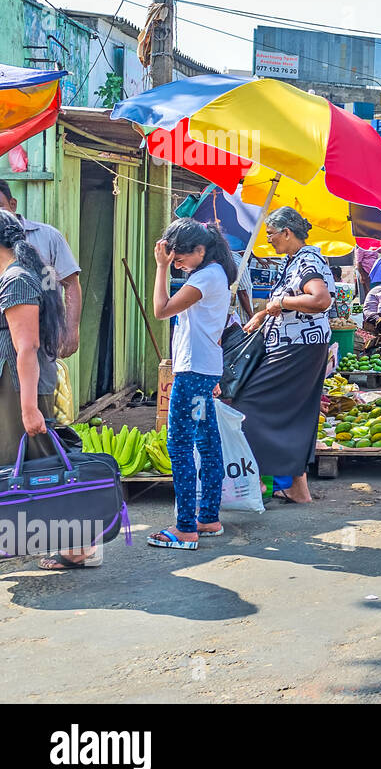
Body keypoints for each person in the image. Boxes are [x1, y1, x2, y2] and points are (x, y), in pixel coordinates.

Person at [231, 207, 336, 504]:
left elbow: (319, 299)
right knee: (295, 414)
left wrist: (280, 304)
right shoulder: (294, 261)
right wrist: (265, 313)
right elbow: (285, 301)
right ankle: (298, 488)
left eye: (272, 235)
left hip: (298, 347)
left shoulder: (307, 260)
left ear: (288, 233)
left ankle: (260, 480)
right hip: (296, 345)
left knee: (247, 405)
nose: (270, 241)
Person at [0, 211, 85, 569]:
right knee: (23, 465)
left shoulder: (16, 279)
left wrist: (28, 407)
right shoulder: (13, 275)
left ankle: (78, 545)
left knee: (46, 465)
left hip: (20, 387)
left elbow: (27, 346)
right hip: (16, 386)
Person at [147, 220, 236, 550]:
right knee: (206, 442)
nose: (176, 263)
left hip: (193, 374)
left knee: (180, 445)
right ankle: (208, 518)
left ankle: (185, 527)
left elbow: (160, 310)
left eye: (179, 258)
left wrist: (159, 269)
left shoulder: (204, 278)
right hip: (204, 371)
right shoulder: (213, 274)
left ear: (200, 251)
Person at [0, 180, 81, 358]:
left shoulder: (48, 236)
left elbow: (71, 283)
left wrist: (71, 329)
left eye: (1, 207)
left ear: (13, 204)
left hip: (43, 338)